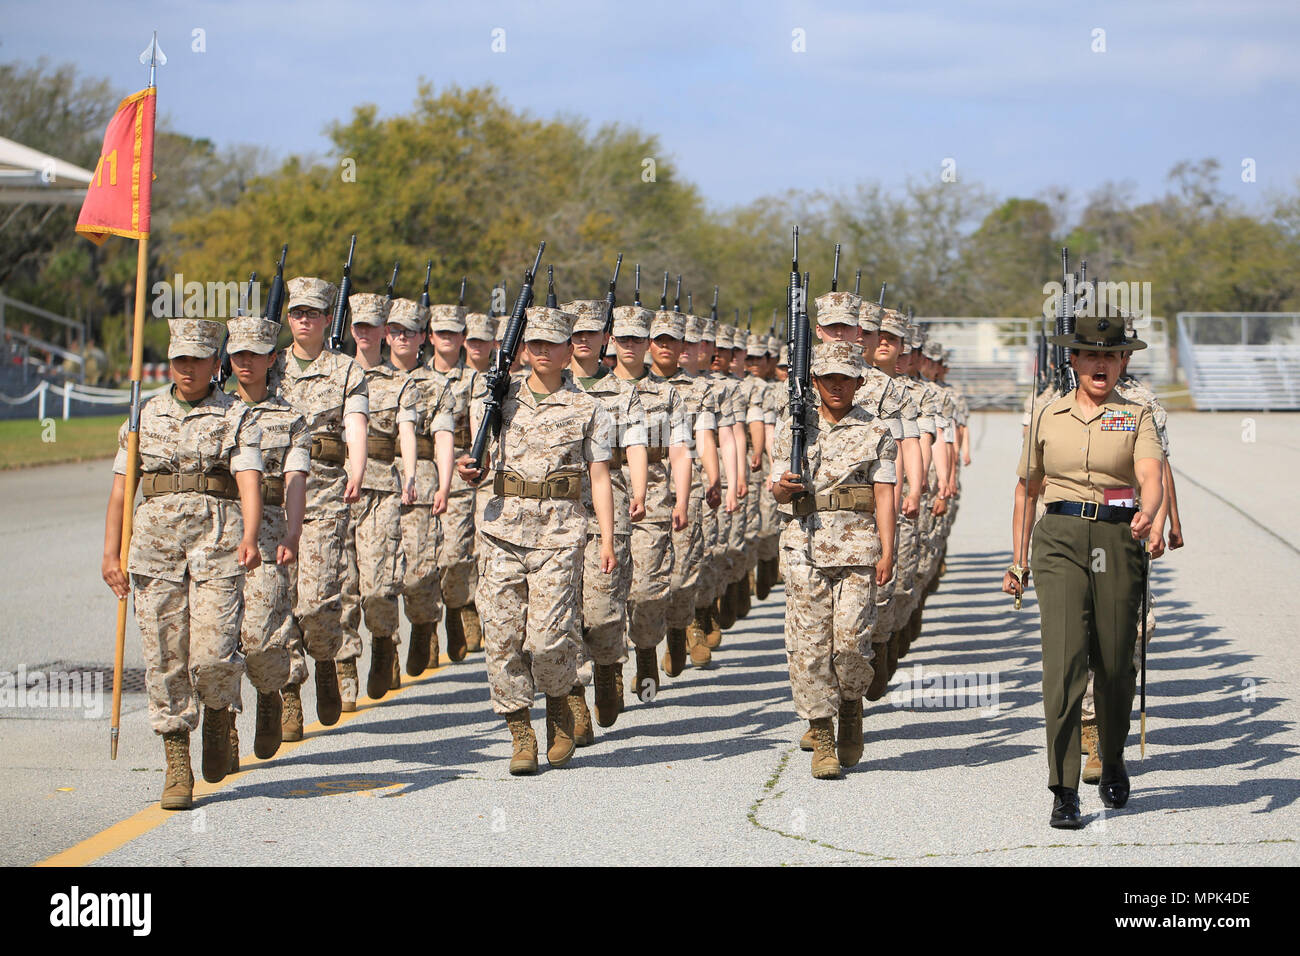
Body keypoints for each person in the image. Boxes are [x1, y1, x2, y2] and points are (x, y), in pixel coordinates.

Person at [1004, 313, 1163, 828]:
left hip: (1118, 537)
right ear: (1072, 360)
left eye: (1110, 355)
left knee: (1116, 662)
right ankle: (1064, 787)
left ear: (1124, 361)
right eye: (1090, 354)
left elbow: (1150, 474)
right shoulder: (1046, 416)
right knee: (1065, 662)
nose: (1100, 364)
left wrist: (1150, 510)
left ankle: (1112, 755)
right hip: (1060, 540)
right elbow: (1027, 489)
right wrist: (1018, 560)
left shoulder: (1136, 416)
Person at [101, 318, 263, 810]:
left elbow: (250, 479)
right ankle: (176, 762)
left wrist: (252, 534)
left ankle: (218, 712)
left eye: (197, 359)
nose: (187, 368)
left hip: (217, 547)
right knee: (165, 659)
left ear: (216, 362)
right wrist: (111, 552)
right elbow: (119, 492)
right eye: (179, 360)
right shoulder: (141, 415)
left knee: (214, 652)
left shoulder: (237, 415)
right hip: (155, 553)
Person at [457, 306, 616, 774]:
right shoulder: (495, 402)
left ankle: (561, 704)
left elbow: (601, 477)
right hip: (501, 530)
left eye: (552, 344)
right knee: (503, 637)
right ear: (523, 350)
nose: (542, 351)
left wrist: (605, 539)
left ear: (570, 350)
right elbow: (476, 462)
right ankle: (520, 730)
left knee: (548, 639)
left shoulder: (589, 409)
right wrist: (470, 470)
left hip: (560, 534)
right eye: (534, 344)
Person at [771, 341, 896, 779]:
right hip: (804, 546)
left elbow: (884, 494)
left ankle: (851, 703)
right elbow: (776, 490)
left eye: (845, 377)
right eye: (828, 378)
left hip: (858, 549)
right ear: (814, 381)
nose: (837, 385)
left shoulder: (876, 432)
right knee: (808, 648)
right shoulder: (793, 428)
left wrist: (888, 548)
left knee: (850, 643)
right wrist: (785, 487)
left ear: (860, 381)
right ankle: (822, 734)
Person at [272, 277, 368, 737]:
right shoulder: (270, 368)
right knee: (279, 601)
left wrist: (358, 464)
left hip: (326, 492)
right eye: (297, 313)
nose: (304, 320)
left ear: (329, 318)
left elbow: (355, 421)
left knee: (315, 601)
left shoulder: (347, 369)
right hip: (276, 495)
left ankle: (327, 655)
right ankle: (290, 693)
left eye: (313, 313)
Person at [226, 315, 310, 766]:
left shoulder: (290, 418)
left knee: (259, 636)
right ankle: (224, 725)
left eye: (255, 354)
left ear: (271, 358)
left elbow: (295, 478)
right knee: (217, 641)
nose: (245, 362)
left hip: (271, 531)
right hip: (217, 533)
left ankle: (270, 692)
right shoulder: (217, 413)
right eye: (238, 353)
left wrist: (293, 532)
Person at [566, 299, 648, 733]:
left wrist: (638, 488)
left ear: (606, 338)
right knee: (564, 609)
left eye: (590, 332)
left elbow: (634, 443)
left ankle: (607, 665)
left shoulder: (622, 391)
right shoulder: (552, 387)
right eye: (574, 332)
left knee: (601, 607)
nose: (582, 340)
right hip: (558, 508)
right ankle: (575, 694)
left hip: (608, 502)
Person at [337, 293, 420, 705]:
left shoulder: (399, 381)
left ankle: (384, 641)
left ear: (384, 332)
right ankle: (345, 668)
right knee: (343, 585)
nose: (365, 333)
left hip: (382, 489)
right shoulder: (335, 374)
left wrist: (409, 474)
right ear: (351, 328)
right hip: (337, 491)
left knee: (377, 585)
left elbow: (406, 431)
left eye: (373, 326)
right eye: (359, 326)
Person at [611, 307, 692, 698]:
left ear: (647, 343)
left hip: (654, 500)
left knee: (644, 591)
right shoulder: (592, 389)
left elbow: (679, 450)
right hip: (601, 500)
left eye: (636, 339)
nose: (629, 345)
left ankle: (645, 651)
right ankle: (608, 664)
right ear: (612, 341)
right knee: (603, 593)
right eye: (622, 338)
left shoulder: (668, 394)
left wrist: (681, 498)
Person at [390, 300, 455, 676]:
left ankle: (422, 623)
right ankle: (381, 650)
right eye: (395, 329)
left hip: (424, 482)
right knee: (368, 582)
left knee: (418, 570)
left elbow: (444, 437)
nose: (402, 337)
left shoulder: (437, 385)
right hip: (375, 481)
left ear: (421, 337)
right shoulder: (369, 379)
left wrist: (445, 485)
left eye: (409, 331)